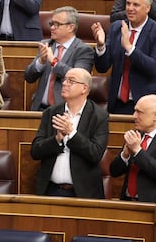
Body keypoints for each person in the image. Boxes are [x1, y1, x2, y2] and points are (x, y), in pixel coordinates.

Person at [108, 94, 156, 230]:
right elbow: (114, 172)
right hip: (128, 205)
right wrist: (125, 154)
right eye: (134, 111)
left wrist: (137, 151)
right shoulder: (136, 134)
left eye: (139, 112)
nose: (134, 116)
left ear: (155, 115)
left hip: (155, 209)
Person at [30, 68, 109, 199]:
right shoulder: (51, 112)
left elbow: (95, 153)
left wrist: (71, 134)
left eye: (71, 81)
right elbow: (35, 151)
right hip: (50, 190)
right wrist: (57, 139)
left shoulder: (99, 116)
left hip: (83, 194)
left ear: (84, 88)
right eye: (64, 80)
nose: (64, 83)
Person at [94, 0, 156, 115]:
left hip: (147, 107)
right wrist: (101, 46)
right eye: (128, 4)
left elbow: (154, 68)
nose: (130, 8)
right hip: (117, 104)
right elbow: (102, 68)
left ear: (147, 8)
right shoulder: (116, 27)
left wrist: (130, 48)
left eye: (136, 5)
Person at [24, 6, 96, 111]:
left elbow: (78, 80)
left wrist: (54, 62)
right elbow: (28, 77)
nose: (52, 27)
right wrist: (41, 62)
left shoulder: (83, 50)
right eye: (51, 24)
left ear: (71, 27)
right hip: (39, 109)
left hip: (66, 111)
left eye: (57, 24)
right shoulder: (46, 44)